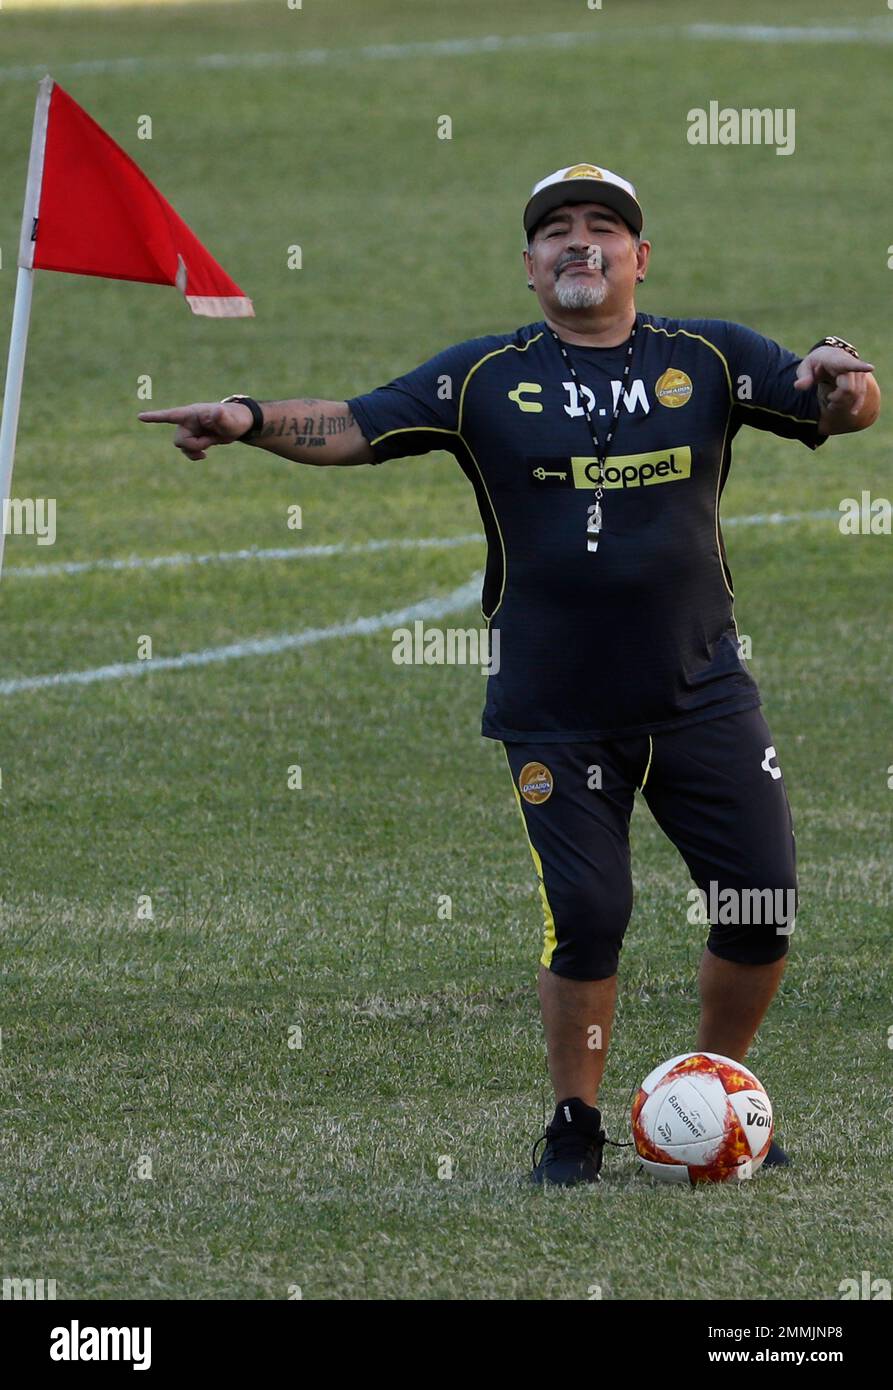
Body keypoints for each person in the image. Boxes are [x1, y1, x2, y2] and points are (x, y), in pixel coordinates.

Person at [139, 162, 880, 1186]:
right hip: (554, 710)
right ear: (527, 266)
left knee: (759, 902)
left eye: (602, 229)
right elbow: (356, 422)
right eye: (557, 232)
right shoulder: (483, 377)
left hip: (701, 692)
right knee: (588, 914)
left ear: (638, 258)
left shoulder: (706, 356)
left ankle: (715, 1091)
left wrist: (848, 379)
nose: (580, 244)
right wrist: (246, 415)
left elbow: (838, 407)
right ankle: (572, 1124)